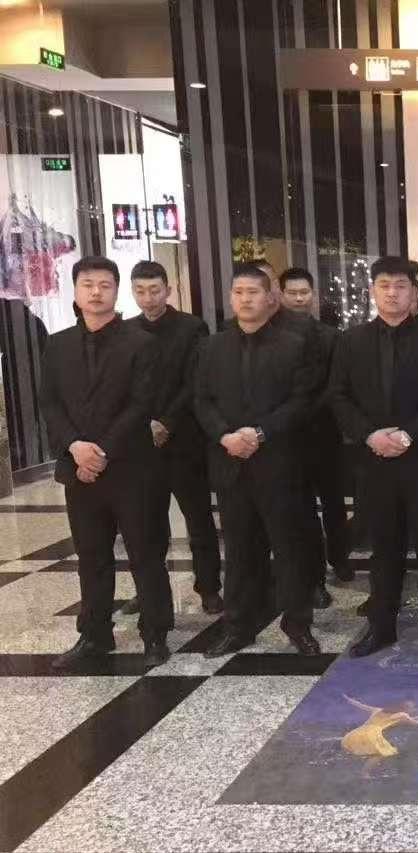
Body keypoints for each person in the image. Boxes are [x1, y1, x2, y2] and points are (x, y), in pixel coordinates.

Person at [40, 256, 174, 668]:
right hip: (79, 469)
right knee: (91, 556)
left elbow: (141, 404)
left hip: (132, 468)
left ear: (116, 291)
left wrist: (99, 452)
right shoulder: (57, 344)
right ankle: (95, 635)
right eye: (87, 284)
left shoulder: (142, 343)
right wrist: (75, 447)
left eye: (104, 285)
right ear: (76, 291)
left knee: (144, 554)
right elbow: (50, 404)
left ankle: (155, 634)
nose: (96, 292)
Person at [329, 255, 418, 662]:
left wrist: (408, 434)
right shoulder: (352, 340)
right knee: (383, 549)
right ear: (372, 290)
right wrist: (371, 435)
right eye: (384, 285)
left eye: (400, 286)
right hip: (374, 461)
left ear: (414, 291)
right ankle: (381, 628)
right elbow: (338, 396)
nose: (392, 293)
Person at [193, 263, 318, 657]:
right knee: (239, 551)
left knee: (290, 549)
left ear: (270, 298)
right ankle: (238, 626)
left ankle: (297, 624)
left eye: (253, 292)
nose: (245, 299)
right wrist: (225, 436)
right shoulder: (212, 347)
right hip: (231, 463)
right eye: (238, 292)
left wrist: (259, 433)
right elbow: (202, 400)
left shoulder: (294, 344)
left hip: (280, 463)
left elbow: (302, 401)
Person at [126, 261, 222, 615]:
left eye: (154, 290)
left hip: (184, 441)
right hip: (142, 443)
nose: (148, 298)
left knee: (198, 520)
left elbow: (195, 382)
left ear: (168, 290)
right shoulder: (126, 331)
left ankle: (209, 587)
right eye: (140, 291)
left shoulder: (192, 328)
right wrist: (145, 424)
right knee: (145, 526)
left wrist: (166, 422)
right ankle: (148, 591)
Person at [253, 259, 334, 610]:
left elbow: (315, 387)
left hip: (301, 436)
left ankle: (313, 581)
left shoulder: (305, 331)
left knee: (302, 514)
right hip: (253, 443)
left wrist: (282, 420)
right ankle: (264, 582)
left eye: (266, 284)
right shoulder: (233, 333)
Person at [280, 267, 352, 585]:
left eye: (304, 292)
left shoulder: (331, 336)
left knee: (334, 501)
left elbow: (336, 385)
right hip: (286, 436)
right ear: (280, 295)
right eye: (292, 293)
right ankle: (313, 573)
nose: (299, 298)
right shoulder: (271, 336)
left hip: (325, 431)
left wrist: (304, 410)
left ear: (313, 295)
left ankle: (340, 558)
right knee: (301, 506)